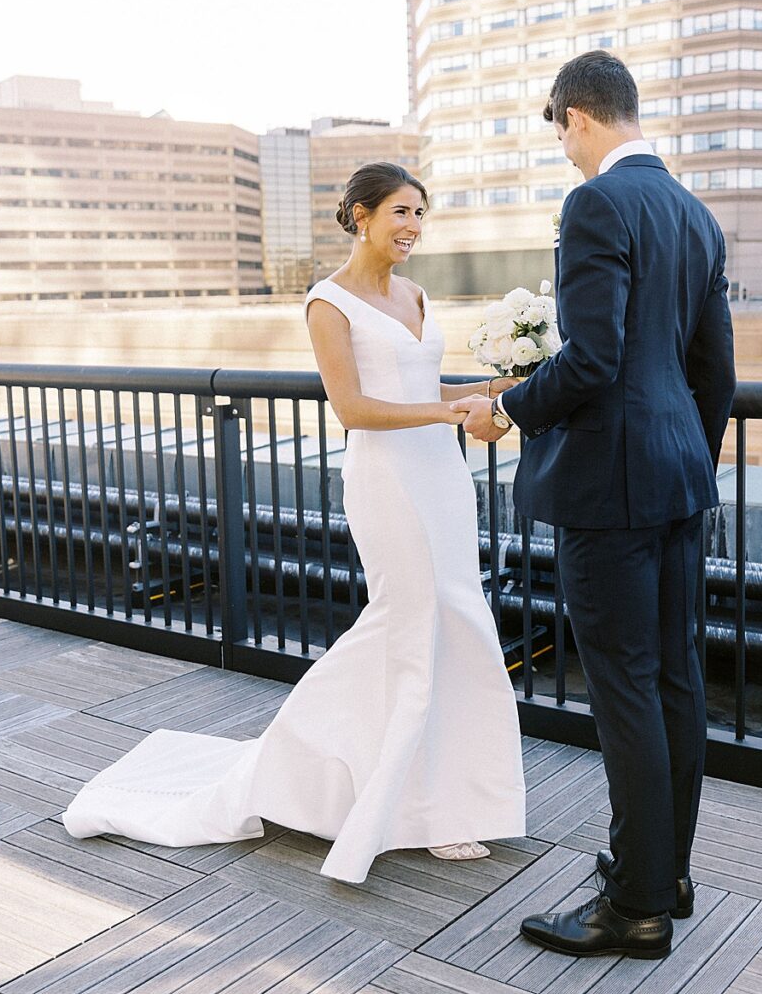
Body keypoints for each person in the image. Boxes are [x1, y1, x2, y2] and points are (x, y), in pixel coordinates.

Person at [62, 162, 526, 884]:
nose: (412, 228)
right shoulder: (327, 302)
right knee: (408, 623)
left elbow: (422, 383)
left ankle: (445, 799)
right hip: (389, 479)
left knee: (457, 621)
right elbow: (354, 408)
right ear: (361, 216)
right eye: (400, 213)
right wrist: (448, 413)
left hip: (441, 476)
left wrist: (500, 389)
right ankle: (354, 782)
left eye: (420, 215)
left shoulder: (415, 294)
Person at [453, 51, 736, 958]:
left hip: (609, 491)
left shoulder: (596, 204)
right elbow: (713, 375)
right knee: (675, 679)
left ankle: (637, 907)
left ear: (576, 117)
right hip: (677, 478)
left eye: (557, 128)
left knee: (621, 689)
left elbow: (592, 359)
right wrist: (685, 457)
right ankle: (667, 871)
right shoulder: (694, 214)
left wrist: (505, 407)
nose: (563, 148)